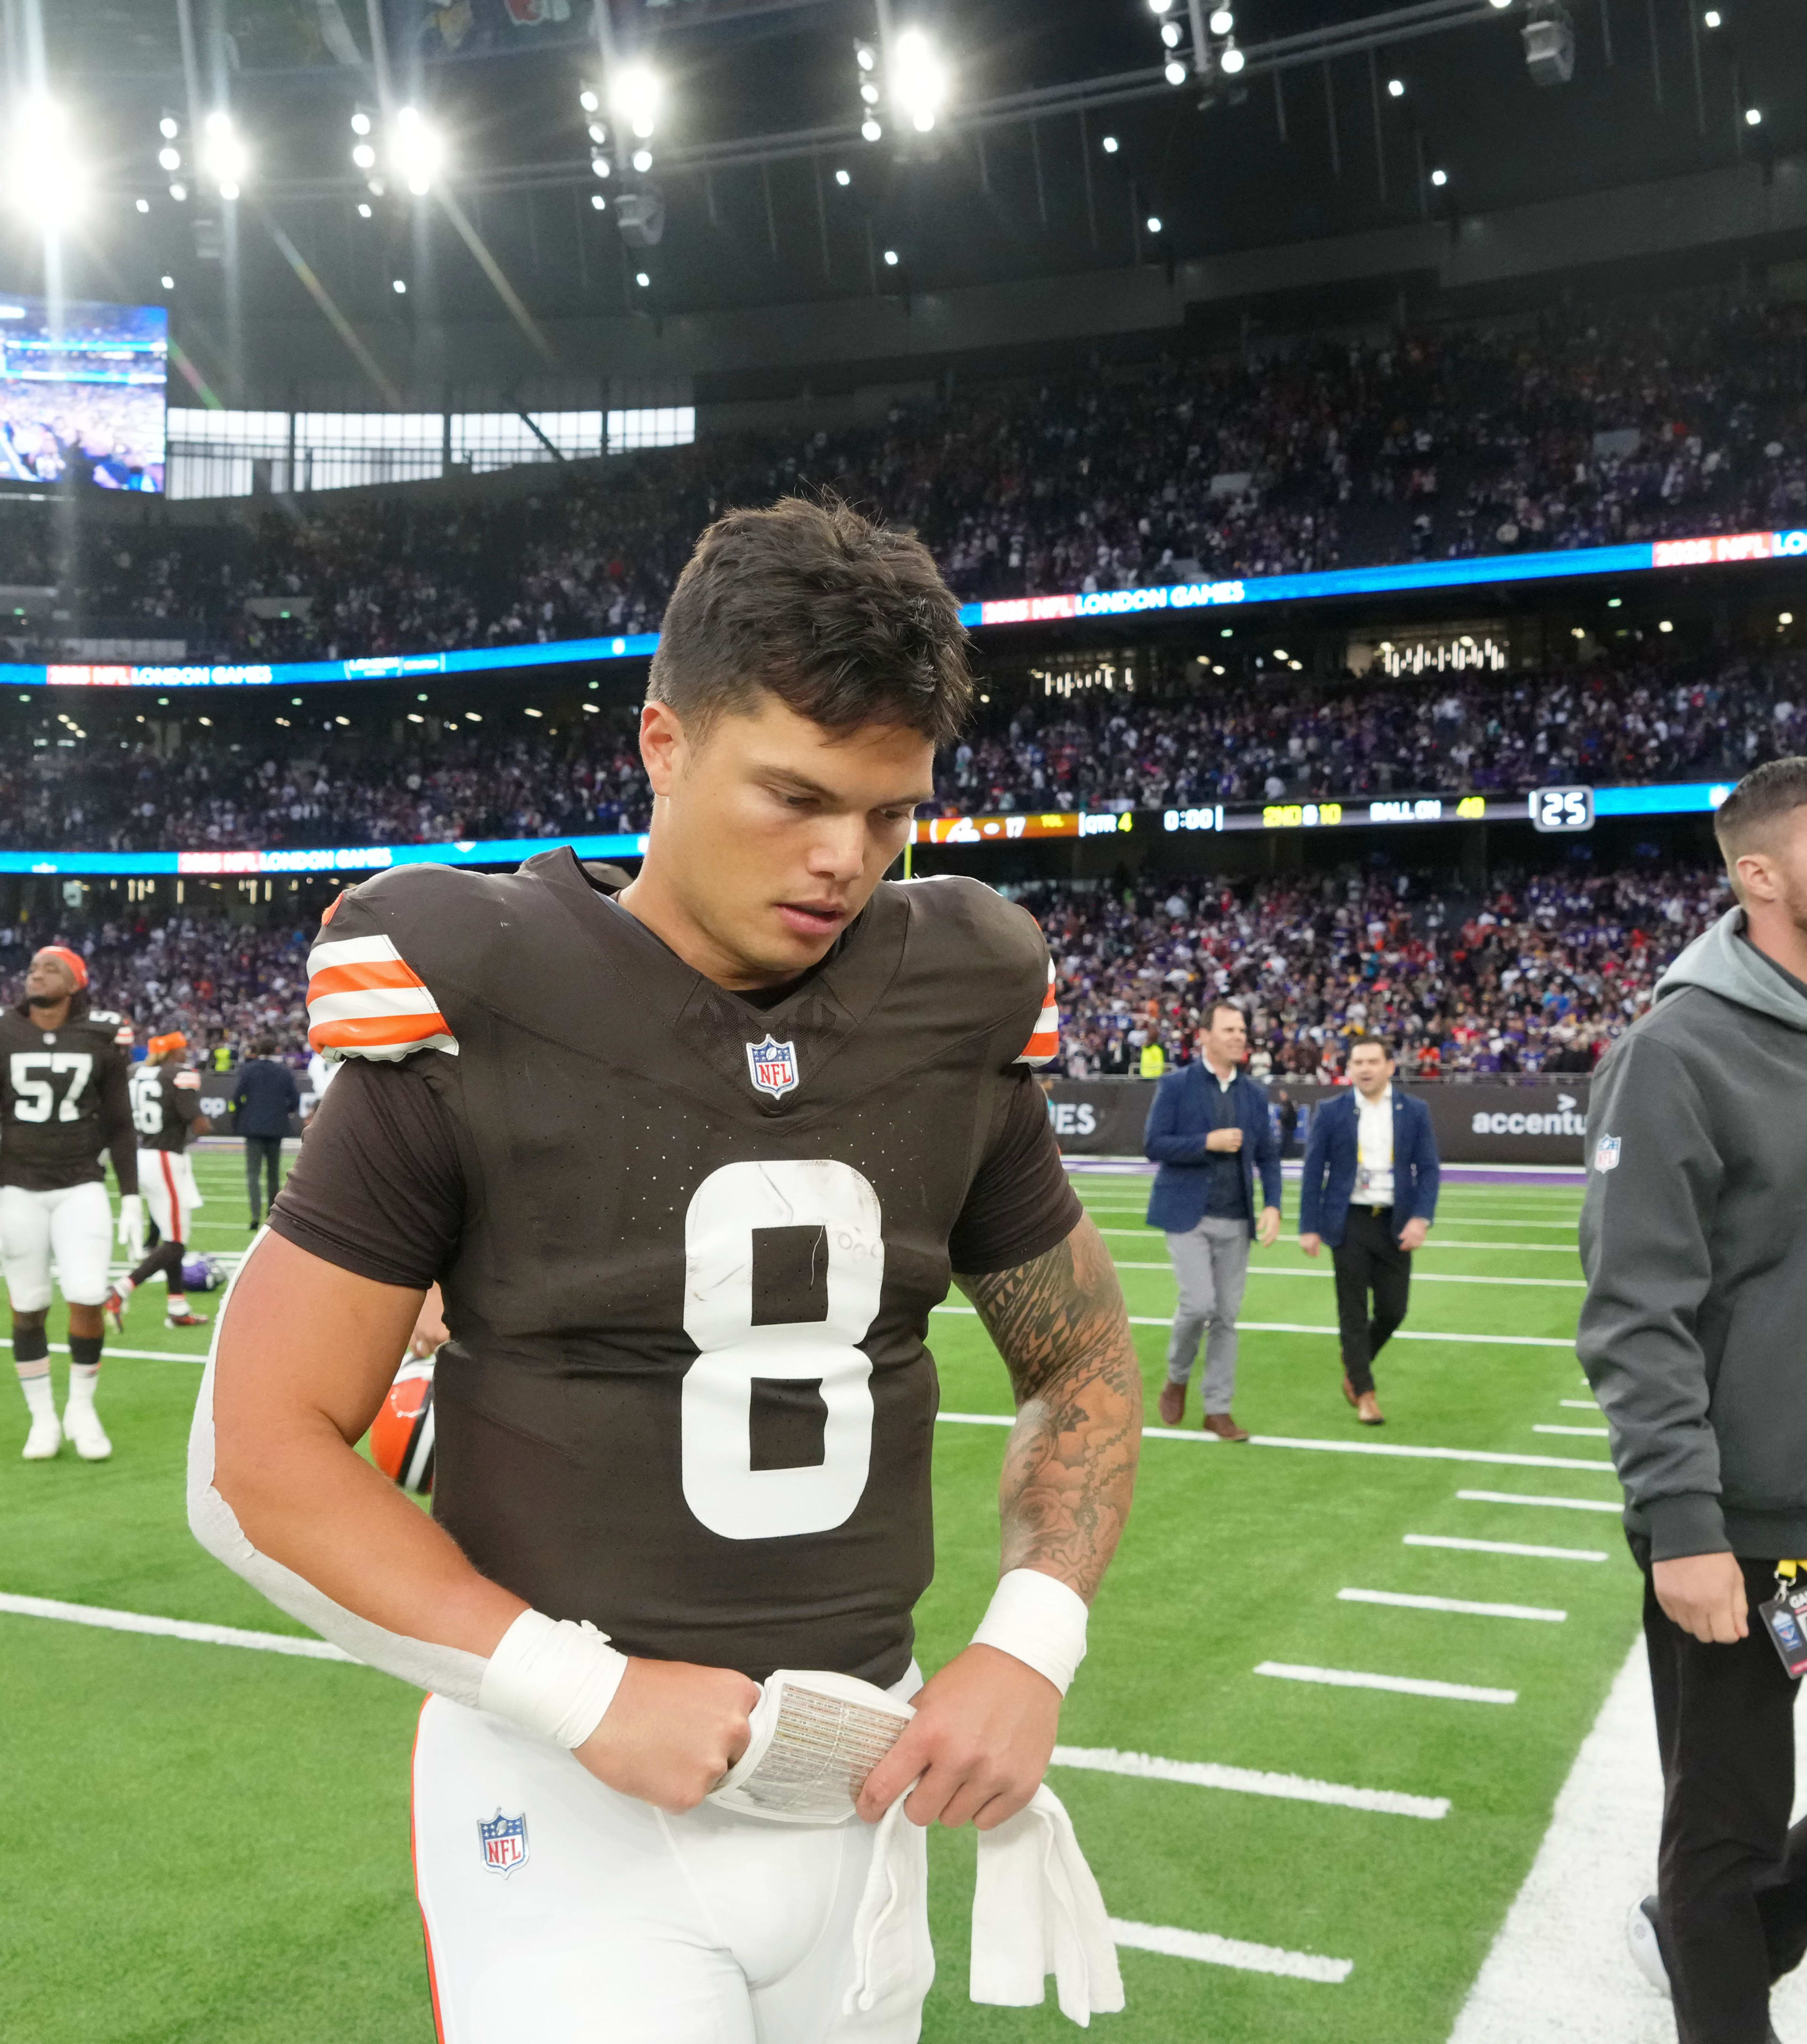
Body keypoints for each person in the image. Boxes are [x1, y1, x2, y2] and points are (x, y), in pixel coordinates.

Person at [190, 497, 1141, 2041]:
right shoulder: (482, 991)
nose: (843, 858)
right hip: (570, 1800)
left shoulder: (955, 992)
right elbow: (256, 1456)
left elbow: (1080, 1358)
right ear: (664, 743)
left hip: (856, 1785)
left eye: (889, 814)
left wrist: (1032, 1641)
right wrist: (581, 1691)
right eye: (795, 795)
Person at [1579, 754, 1807, 2044]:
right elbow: (1634, 1312)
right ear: (1759, 876)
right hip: (1741, 1538)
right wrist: (1684, 1524)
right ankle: (1723, 1966)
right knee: (1724, 1835)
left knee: (1731, 1894)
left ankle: (1735, 1940)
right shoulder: (1674, 1053)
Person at [0, 947, 143, 1462]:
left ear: (75, 982)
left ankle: (81, 1409)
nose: (36, 973)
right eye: (33, 967)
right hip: (17, 1186)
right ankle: (42, 1417)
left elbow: (120, 1124)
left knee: (86, 1293)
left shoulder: (102, 1034)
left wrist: (131, 1197)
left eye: (51, 968)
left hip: (81, 1183)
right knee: (29, 1306)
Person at [1141, 1000, 1281, 1440]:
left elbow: (1269, 1156)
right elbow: (1154, 1144)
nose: (1239, 1037)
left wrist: (1273, 1205)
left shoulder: (1254, 1094)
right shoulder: (1176, 1085)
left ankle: (1218, 1409)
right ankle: (1177, 1377)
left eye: (1242, 1030)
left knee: (1226, 1316)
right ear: (1204, 1036)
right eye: (1229, 1030)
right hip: (1187, 1214)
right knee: (1198, 1305)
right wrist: (1207, 1142)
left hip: (1236, 1216)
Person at [1298, 1037, 1439, 1425]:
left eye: (1373, 1061)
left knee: (1394, 1310)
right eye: (1358, 1062)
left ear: (1390, 1067)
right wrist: (1309, 1226)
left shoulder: (1414, 1111)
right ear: (1349, 1068)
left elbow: (1429, 1169)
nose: (1365, 1069)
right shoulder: (1331, 1111)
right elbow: (1314, 1170)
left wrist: (1421, 1219)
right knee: (1353, 1311)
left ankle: (1355, 1361)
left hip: (1396, 1221)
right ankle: (1365, 1393)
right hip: (1349, 1220)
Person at [105, 1033, 211, 1330]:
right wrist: (201, 1126)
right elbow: (198, 1123)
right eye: (182, 1050)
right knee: (176, 1242)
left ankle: (178, 1307)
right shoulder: (178, 1074)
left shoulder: (134, 1072)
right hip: (165, 1158)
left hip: (142, 1154)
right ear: (173, 1053)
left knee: (170, 1235)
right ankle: (121, 1289)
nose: (186, 1054)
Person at [232, 1036, 300, 1228]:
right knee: (273, 1174)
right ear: (276, 1050)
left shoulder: (249, 1069)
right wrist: (282, 1112)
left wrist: (246, 1113)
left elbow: (237, 1097)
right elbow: (295, 1100)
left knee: (253, 1174)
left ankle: (255, 1216)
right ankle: (272, 1214)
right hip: (276, 1127)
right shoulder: (283, 1071)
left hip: (253, 1127)